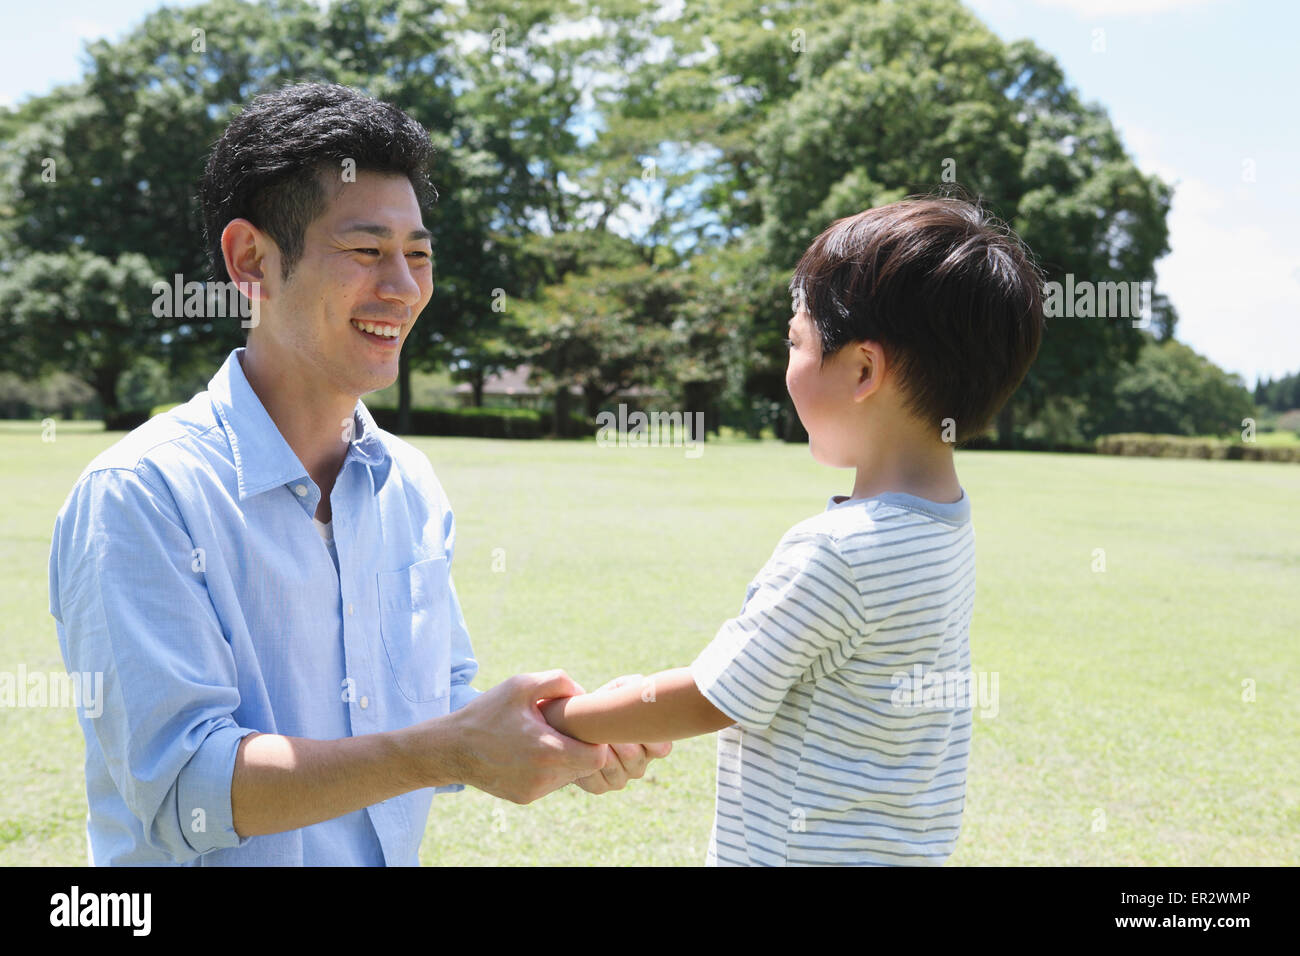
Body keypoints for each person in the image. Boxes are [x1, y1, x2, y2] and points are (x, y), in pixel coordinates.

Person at [47, 82, 668, 866]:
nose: (404, 289)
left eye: (418, 255)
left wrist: (570, 726)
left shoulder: (408, 484)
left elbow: (435, 707)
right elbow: (185, 793)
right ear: (252, 262)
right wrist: (446, 750)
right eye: (367, 251)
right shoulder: (141, 494)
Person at [541, 196, 1045, 865]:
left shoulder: (838, 550)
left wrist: (561, 721)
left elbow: (710, 696)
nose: (789, 366)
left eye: (796, 341)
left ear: (863, 370)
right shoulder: (946, 520)